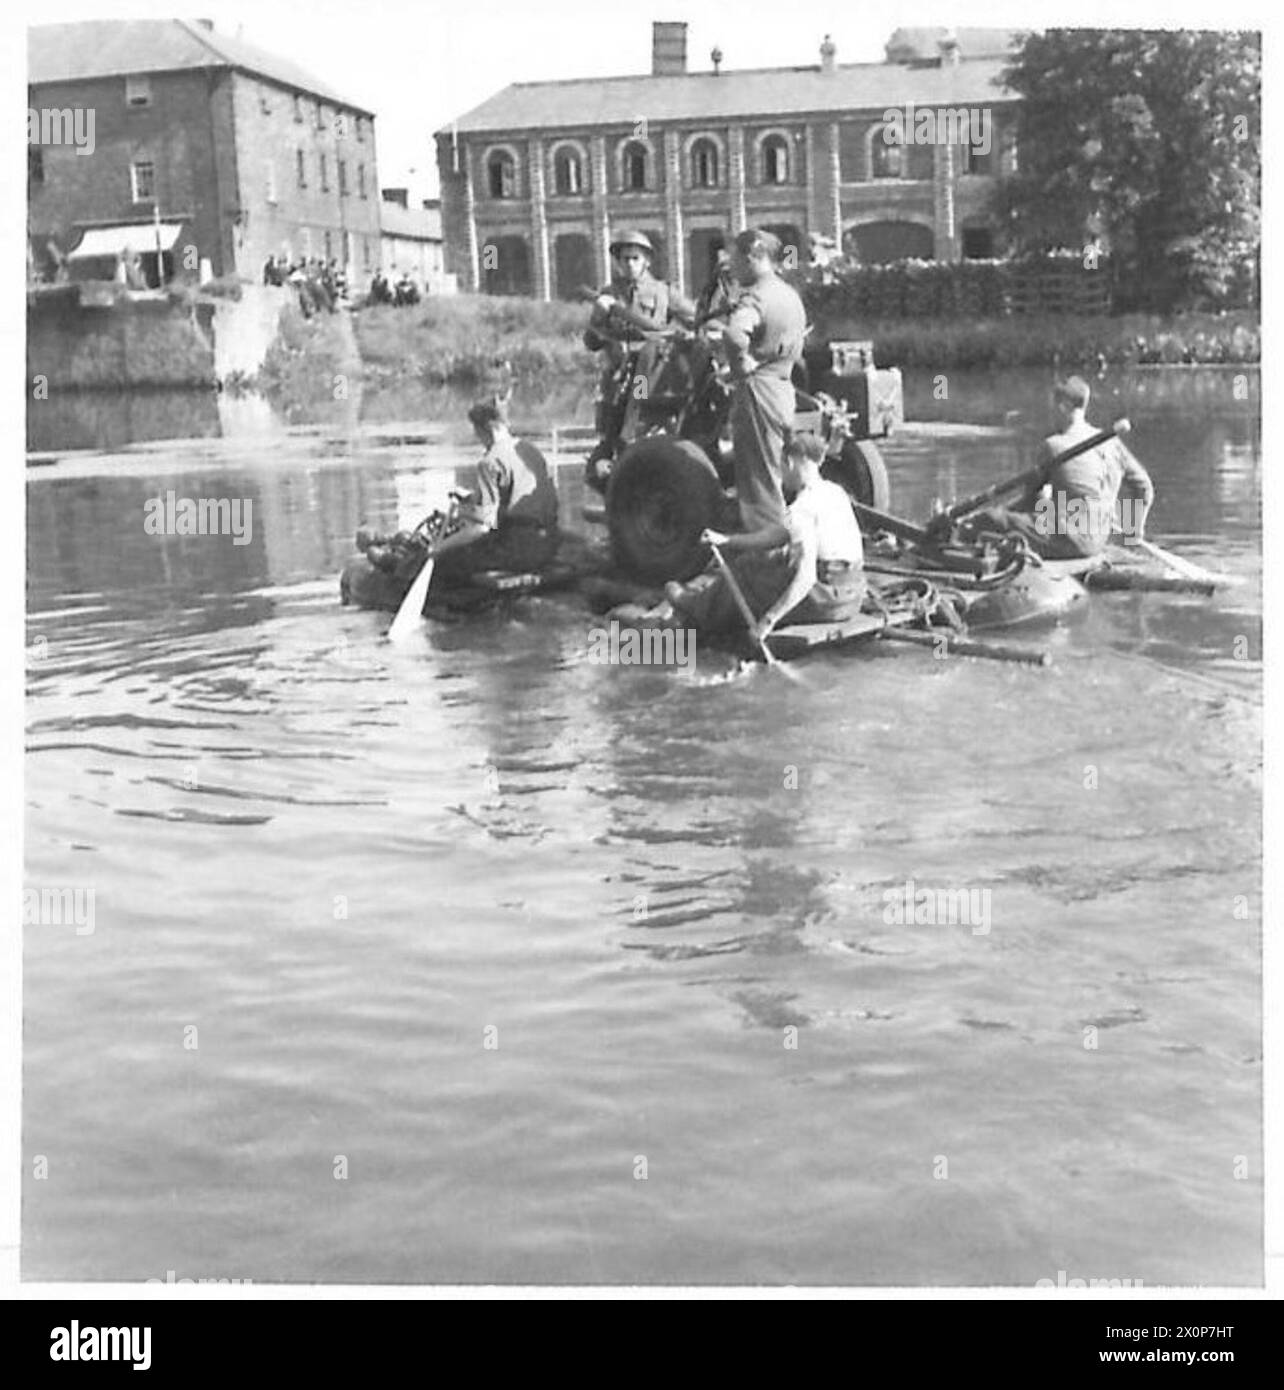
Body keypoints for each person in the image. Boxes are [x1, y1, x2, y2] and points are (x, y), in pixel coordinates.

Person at [627, 433, 864, 642]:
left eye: (781, 467)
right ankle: (703, 601)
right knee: (756, 561)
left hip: (824, 601)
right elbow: (778, 535)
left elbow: (806, 576)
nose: (781, 476)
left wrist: (768, 622)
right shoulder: (835, 492)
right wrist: (727, 540)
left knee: (743, 574)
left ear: (789, 462)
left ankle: (695, 608)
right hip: (852, 594)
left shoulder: (803, 507)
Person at [962, 376, 1155, 558]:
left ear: (1064, 406)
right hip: (1099, 537)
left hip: (1069, 539)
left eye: (1052, 406)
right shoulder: (1113, 444)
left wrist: (1000, 513)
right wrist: (1132, 531)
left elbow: (1031, 502)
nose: (1049, 413)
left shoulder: (1054, 446)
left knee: (990, 519)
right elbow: (1143, 488)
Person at [583, 230, 695, 486]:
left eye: (635, 258)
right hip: (617, 379)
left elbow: (694, 319)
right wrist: (600, 316)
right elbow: (591, 342)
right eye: (624, 259)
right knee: (611, 435)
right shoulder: (609, 294)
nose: (629, 265)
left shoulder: (664, 291)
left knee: (638, 423)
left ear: (647, 260)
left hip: (651, 376)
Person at [722, 228, 808, 534]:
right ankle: (785, 540)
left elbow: (734, 334)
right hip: (784, 390)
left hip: (758, 392)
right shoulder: (790, 295)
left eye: (734, 259)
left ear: (754, 257)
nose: (730, 266)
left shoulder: (756, 296)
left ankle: (765, 557)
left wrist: (739, 364)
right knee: (775, 470)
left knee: (757, 478)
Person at [429, 400, 561, 586]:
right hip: (549, 544)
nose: (477, 437)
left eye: (477, 431)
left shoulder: (490, 462)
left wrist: (440, 547)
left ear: (486, 429)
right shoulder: (529, 450)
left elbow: (481, 527)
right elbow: (518, 496)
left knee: (450, 560)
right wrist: (472, 498)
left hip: (521, 551)